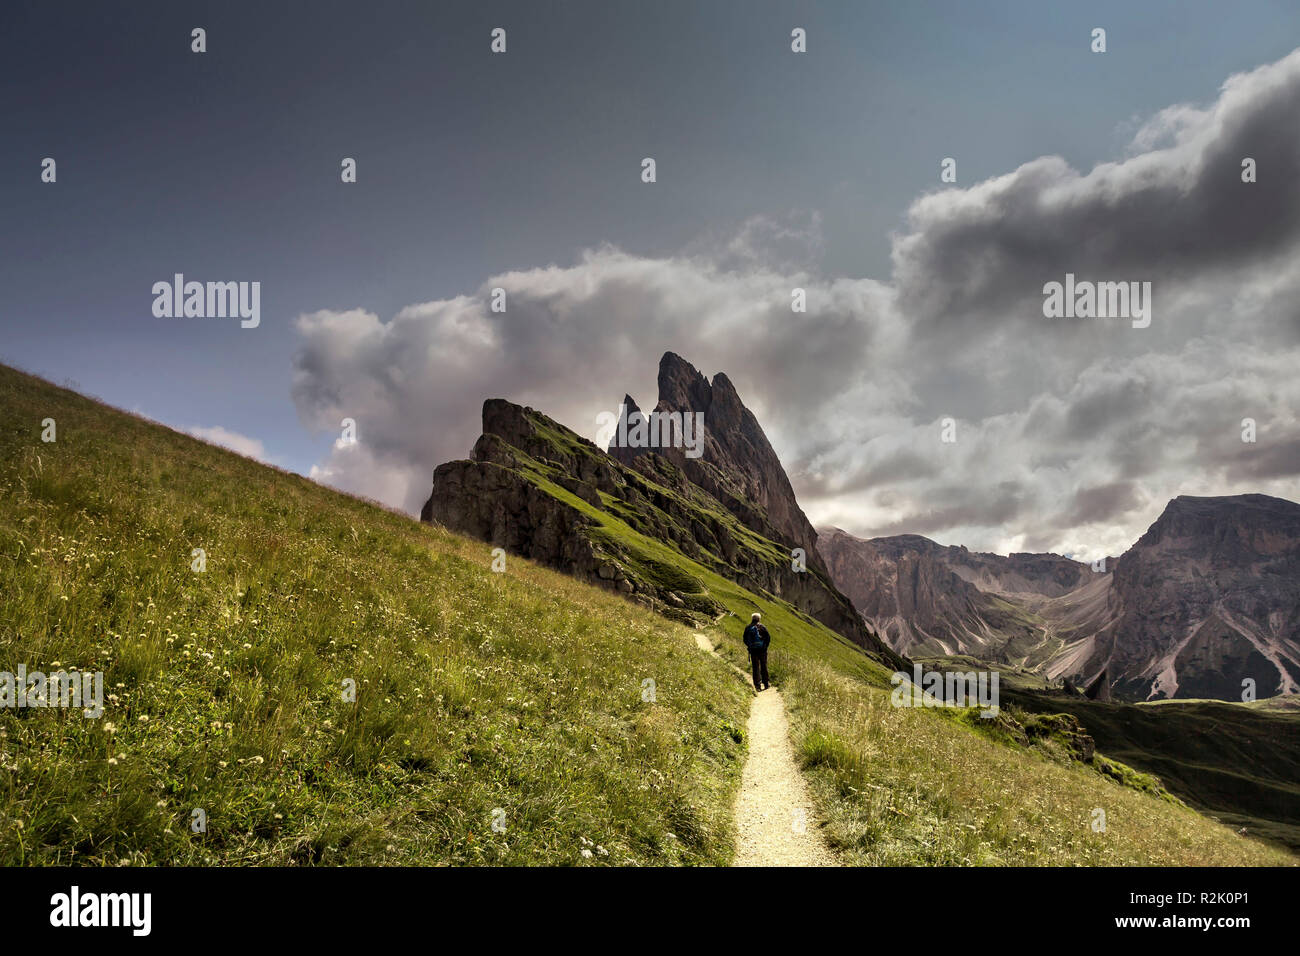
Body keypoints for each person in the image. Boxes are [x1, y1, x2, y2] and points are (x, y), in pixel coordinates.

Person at [742, 612, 771, 691]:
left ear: (752, 619)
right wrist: (765, 647)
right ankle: (766, 684)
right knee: (764, 666)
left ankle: (757, 686)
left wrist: (750, 646)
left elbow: (744, 639)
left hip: (753, 650)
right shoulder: (762, 627)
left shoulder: (748, 627)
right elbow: (768, 638)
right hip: (762, 650)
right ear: (759, 619)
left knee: (755, 667)